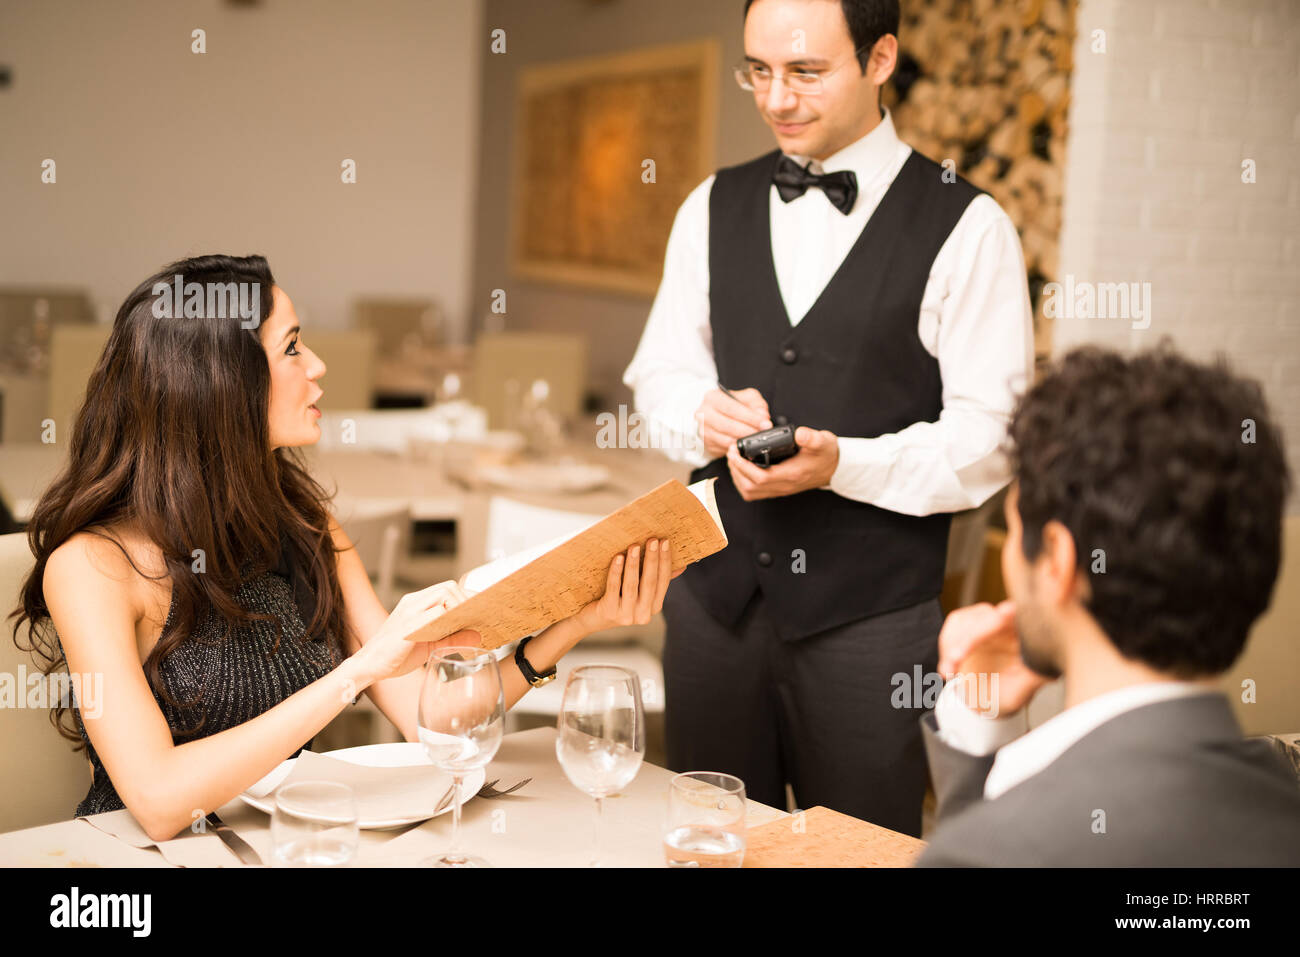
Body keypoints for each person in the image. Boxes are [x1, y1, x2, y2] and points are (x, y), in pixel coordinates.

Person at [10, 254, 674, 843]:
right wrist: (357, 672)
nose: (319, 365)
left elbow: (431, 717)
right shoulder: (93, 566)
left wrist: (576, 621)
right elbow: (156, 802)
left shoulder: (303, 519)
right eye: (293, 347)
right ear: (219, 384)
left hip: (295, 845)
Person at [623, 0, 1032, 834]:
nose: (776, 98)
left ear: (881, 59)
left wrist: (843, 461)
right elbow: (656, 373)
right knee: (705, 846)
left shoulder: (970, 226)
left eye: (806, 72)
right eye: (758, 70)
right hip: (713, 607)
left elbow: (992, 441)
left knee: (860, 850)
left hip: (871, 626)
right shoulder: (711, 204)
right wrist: (698, 412)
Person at [918, 344, 1300, 866]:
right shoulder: (1282, 801)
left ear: (1055, 559)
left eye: (1013, 528)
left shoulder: (995, 851)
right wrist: (979, 717)